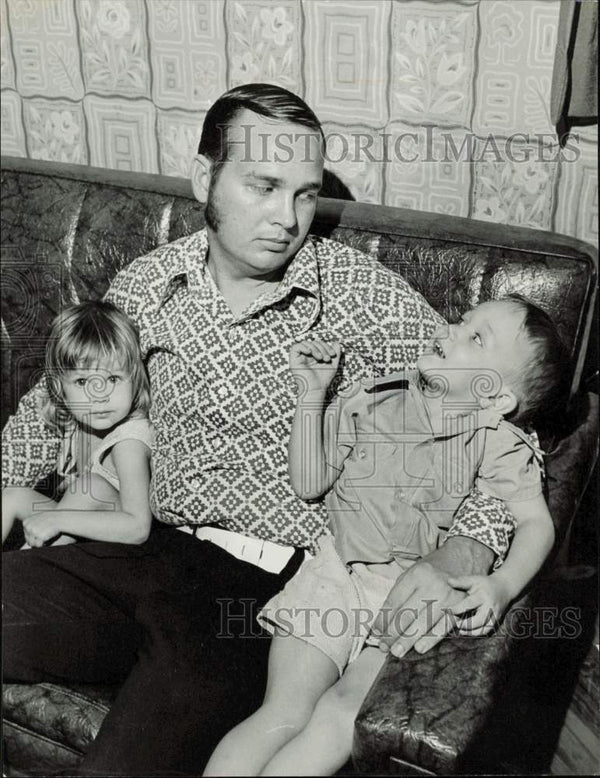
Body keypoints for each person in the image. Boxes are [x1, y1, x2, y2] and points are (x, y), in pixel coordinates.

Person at [3, 84, 518, 776]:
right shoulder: (148, 284)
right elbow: (48, 410)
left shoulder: (360, 296)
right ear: (203, 179)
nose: (288, 218)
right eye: (264, 186)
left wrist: (460, 557)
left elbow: (504, 430)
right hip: (133, 545)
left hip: (252, 593)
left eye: (305, 194)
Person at [204, 295, 567, 776]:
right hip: (334, 575)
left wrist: (502, 587)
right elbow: (309, 482)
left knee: (340, 713)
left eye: (476, 338)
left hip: (404, 601)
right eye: (462, 320)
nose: (450, 330)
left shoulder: (497, 440)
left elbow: (535, 523)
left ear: (497, 398)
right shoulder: (374, 397)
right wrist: (312, 396)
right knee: (283, 714)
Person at [2, 301, 153, 548]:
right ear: (60, 389)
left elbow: (138, 528)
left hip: (122, 544)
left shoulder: (128, 442)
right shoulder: (77, 426)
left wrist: (57, 518)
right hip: (80, 527)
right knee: (11, 496)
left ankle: (25, 566)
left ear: (135, 380)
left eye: (113, 378)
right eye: (82, 382)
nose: (99, 394)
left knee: (87, 487)